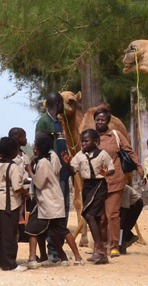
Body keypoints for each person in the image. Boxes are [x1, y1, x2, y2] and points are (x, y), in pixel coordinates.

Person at [93, 106, 140, 260]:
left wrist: (139, 168)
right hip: (97, 184)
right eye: (97, 119)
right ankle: (101, 245)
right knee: (100, 217)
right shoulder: (90, 137)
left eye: (103, 119)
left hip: (115, 181)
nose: (100, 122)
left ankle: (114, 246)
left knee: (113, 214)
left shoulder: (116, 135)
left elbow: (129, 151)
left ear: (108, 121)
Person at [29, 133, 81, 266]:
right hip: (47, 201)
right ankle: (57, 256)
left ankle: (77, 257)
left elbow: (39, 182)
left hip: (50, 201)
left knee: (39, 229)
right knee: (50, 231)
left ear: (38, 147)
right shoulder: (43, 160)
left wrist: (30, 171)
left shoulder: (44, 162)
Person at [65, 128, 113, 264]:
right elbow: (72, 171)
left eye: (86, 141)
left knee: (89, 214)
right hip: (87, 187)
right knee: (94, 216)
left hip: (99, 185)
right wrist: (67, 164)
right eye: (82, 141)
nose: (83, 144)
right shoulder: (79, 155)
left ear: (96, 141)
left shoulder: (102, 154)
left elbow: (112, 168)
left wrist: (106, 173)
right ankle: (101, 252)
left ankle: (98, 248)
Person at [0, 136, 28, 271]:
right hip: (9, 202)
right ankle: (10, 263)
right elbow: (17, 187)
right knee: (10, 233)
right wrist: (27, 190)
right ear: (13, 151)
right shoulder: (13, 167)